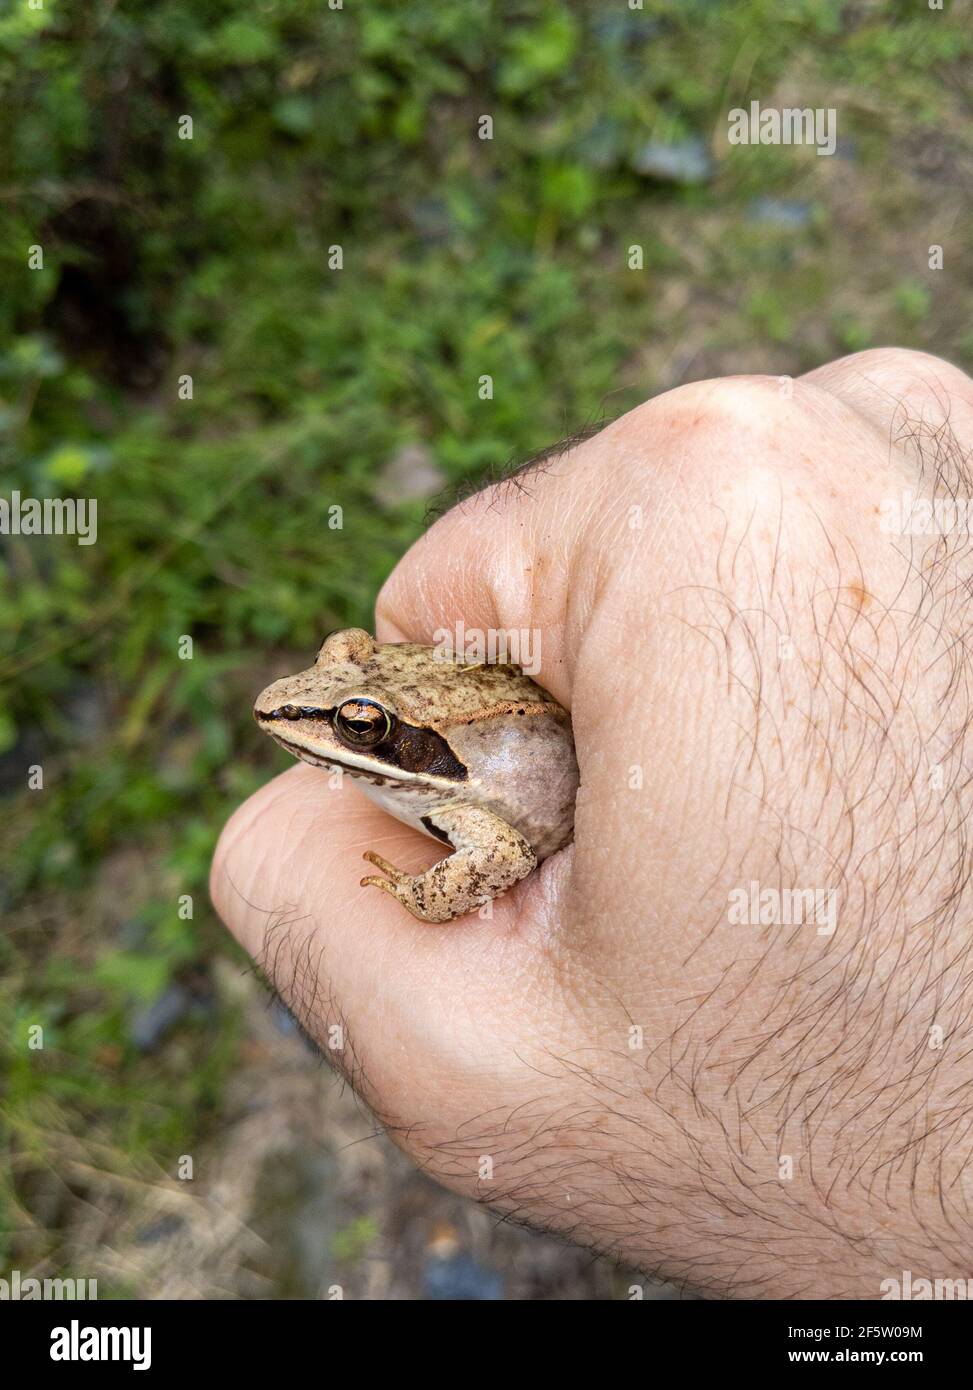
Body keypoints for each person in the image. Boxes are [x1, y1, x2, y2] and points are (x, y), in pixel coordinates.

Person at [211, 349, 973, 1299]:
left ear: (392, 736)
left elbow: (484, 858)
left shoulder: (451, 793)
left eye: (357, 723)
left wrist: (415, 892)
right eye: (345, 695)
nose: (305, 714)